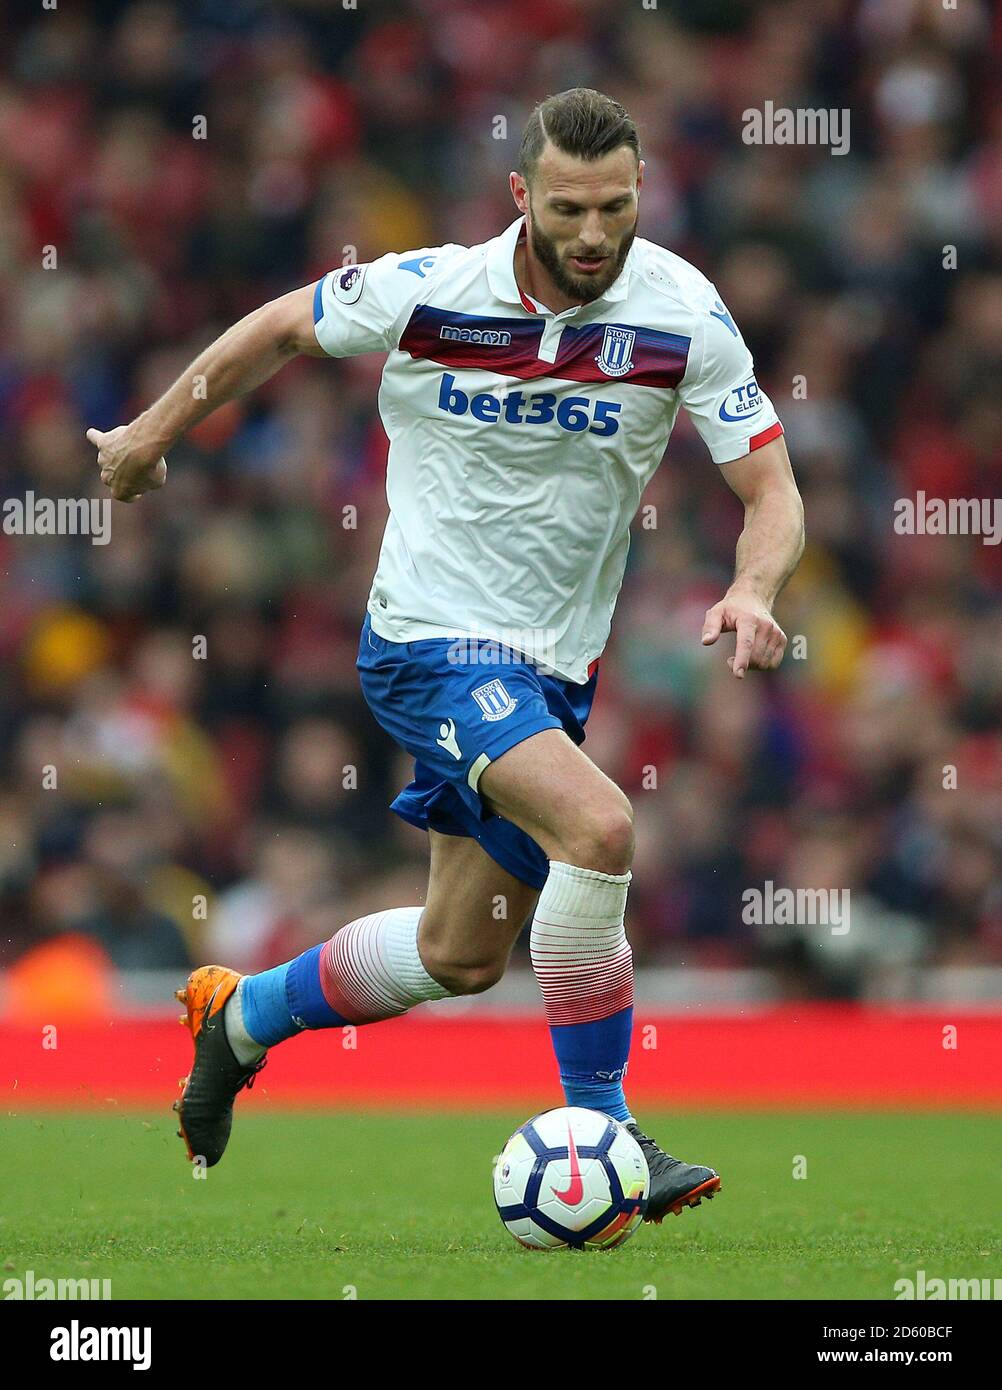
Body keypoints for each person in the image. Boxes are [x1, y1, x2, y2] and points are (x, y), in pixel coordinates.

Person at [88, 88, 804, 1224]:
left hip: (553, 669)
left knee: (459, 956)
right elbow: (278, 326)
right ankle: (610, 1134)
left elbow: (769, 486)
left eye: (615, 206)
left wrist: (753, 585)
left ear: (640, 196)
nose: (592, 233)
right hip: (427, 639)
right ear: (520, 195)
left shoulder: (686, 316)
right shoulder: (433, 289)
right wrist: (146, 437)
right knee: (603, 826)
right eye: (568, 207)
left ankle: (238, 1019)